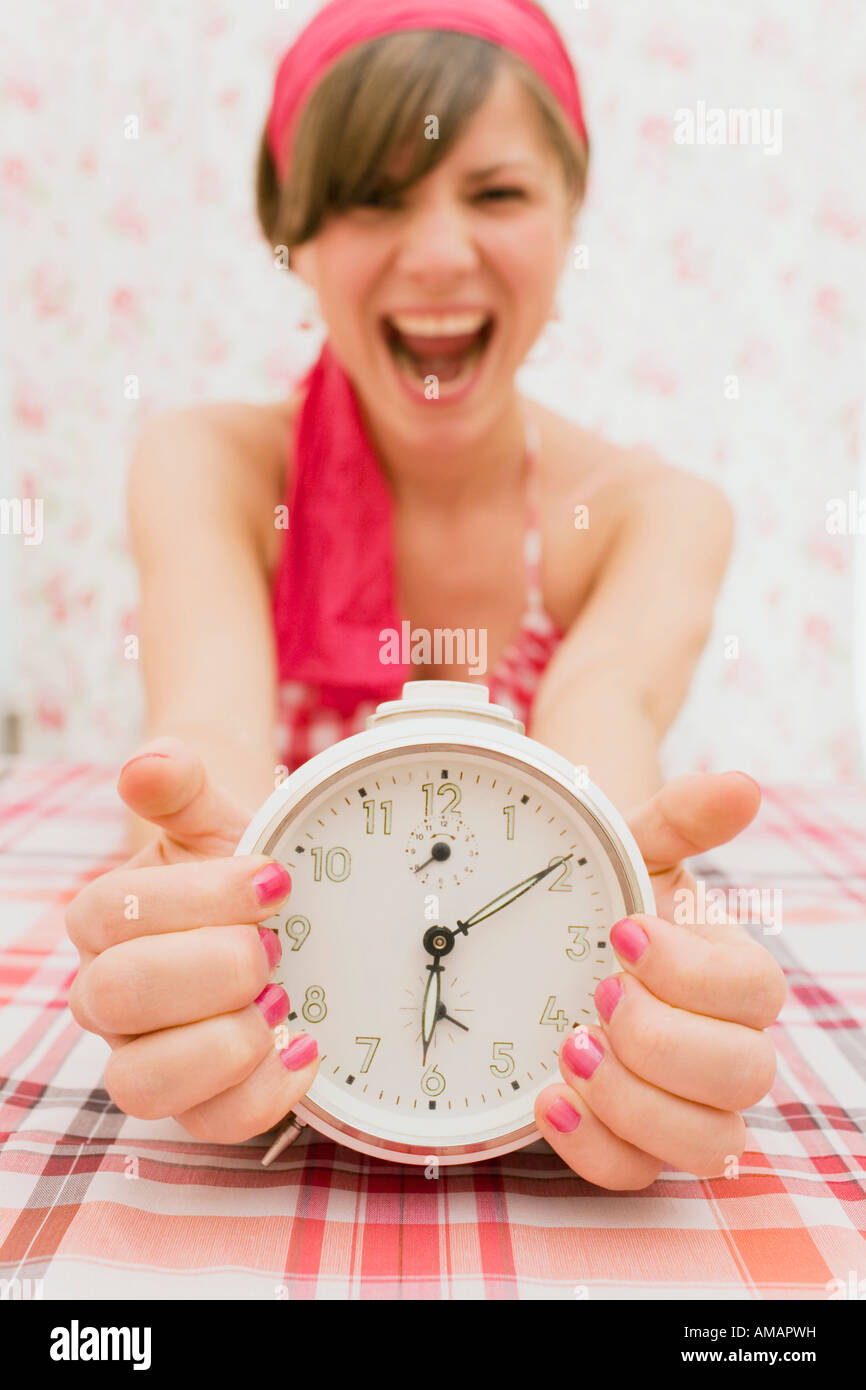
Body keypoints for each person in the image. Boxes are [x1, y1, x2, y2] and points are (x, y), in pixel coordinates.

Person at [66, 0, 785, 1190]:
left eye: (495, 194)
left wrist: (647, 912)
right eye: (372, 198)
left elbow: (600, 747)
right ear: (289, 236)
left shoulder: (653, 511)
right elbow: (204, 742)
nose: (440, 253)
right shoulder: (216, 468)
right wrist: (184, 897)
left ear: (569, 217)